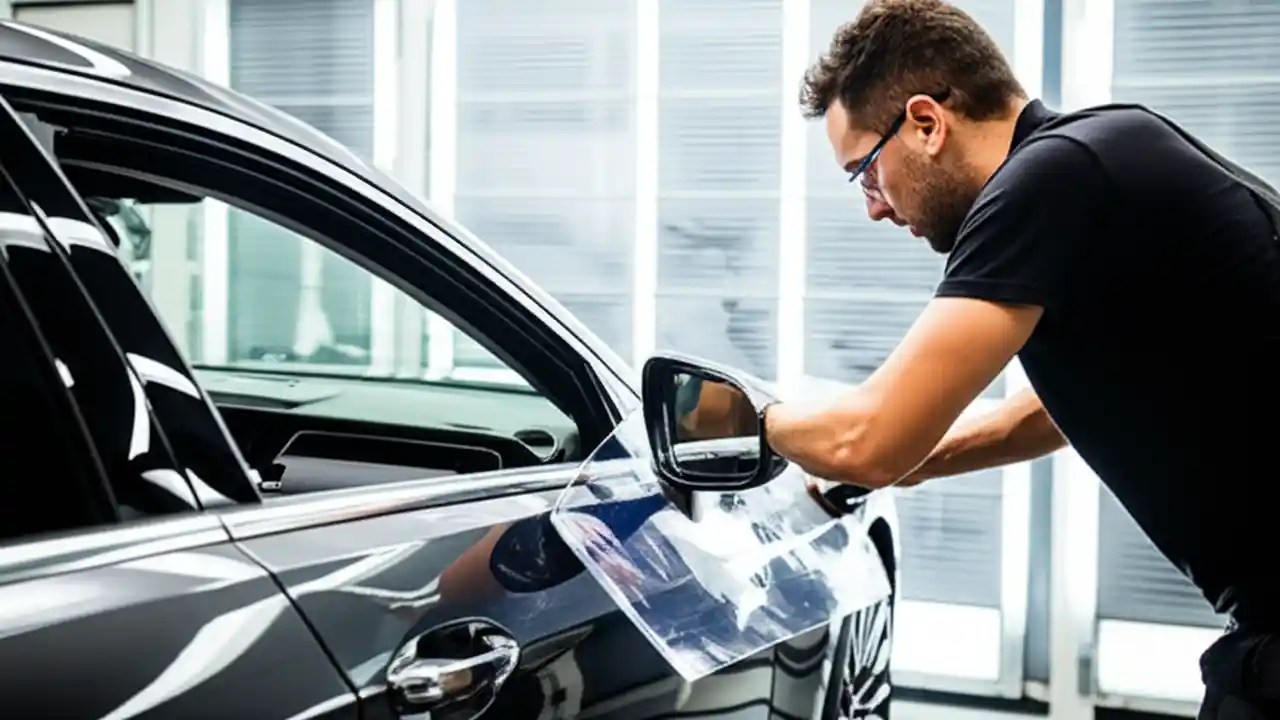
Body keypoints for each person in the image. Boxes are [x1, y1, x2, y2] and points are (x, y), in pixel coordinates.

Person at [758, 0, 1280, 715]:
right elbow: (1056, 413)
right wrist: (916, 460)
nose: (874, 208)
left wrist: (747, 420)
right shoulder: (1102, 148)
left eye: (866, 174)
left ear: (926, 124)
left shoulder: (1043, 184)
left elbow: (866, 438)